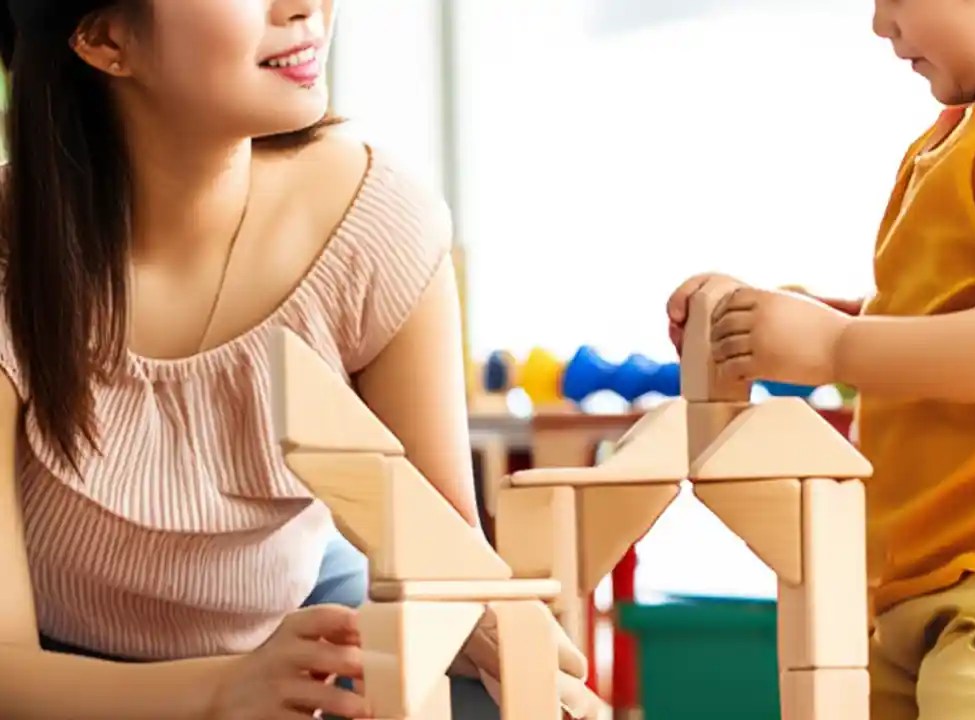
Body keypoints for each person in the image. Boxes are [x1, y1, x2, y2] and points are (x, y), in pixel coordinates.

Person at [0, 1, 587, 719]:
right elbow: (8, 670)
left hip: (296, 618)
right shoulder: (13, 270)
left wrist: (497, 633)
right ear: (104, 37)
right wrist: (222, 688)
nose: (304, 5)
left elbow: (444, 557)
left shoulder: (374, 220)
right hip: (66, 680)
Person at [668, 0, 975, 718]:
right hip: (932, 581)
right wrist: (791, 325)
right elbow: (939, 338)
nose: (881, 22)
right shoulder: (964, 139)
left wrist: (835, 345)